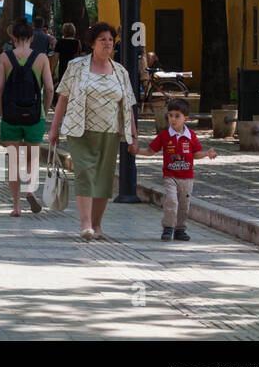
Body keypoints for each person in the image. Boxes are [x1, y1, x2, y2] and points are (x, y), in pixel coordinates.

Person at [47, 22, 138, 240]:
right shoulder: (77, 67)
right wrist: (54, 127)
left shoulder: (121, 72)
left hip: (110, 132)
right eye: (102, 39)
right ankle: (85, 223)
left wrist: (133, 136)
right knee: (86, 173)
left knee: (104, 179)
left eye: (110, 39)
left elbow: (127, 105)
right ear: (92, 43)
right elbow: (63, 98)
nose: (107, 43)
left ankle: (97, 225)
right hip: (80, 130)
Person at [130, 97, 217, 241]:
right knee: (171, 201)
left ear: (186, 118)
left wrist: (207, 154)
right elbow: (151, 151)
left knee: (184, 205)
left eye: (177, 116)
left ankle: (180, 229)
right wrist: (137, 151)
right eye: (170, 115)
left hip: (187, 178)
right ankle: (168, 227)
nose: (173, 119)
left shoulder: (190, 136)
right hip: (170, 176)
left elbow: (196, 154)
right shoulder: (164, 135)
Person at [0, 20, 55, 216]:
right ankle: (30, 189)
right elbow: (50, 89)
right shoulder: (42, 58)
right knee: (32, 158)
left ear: (12, 37)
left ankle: (16, 206)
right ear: (31, 37)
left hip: (10, 115)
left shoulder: (4, 57)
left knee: (13, 160)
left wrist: (1, 111)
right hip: (35, 115)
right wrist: (44, 110)